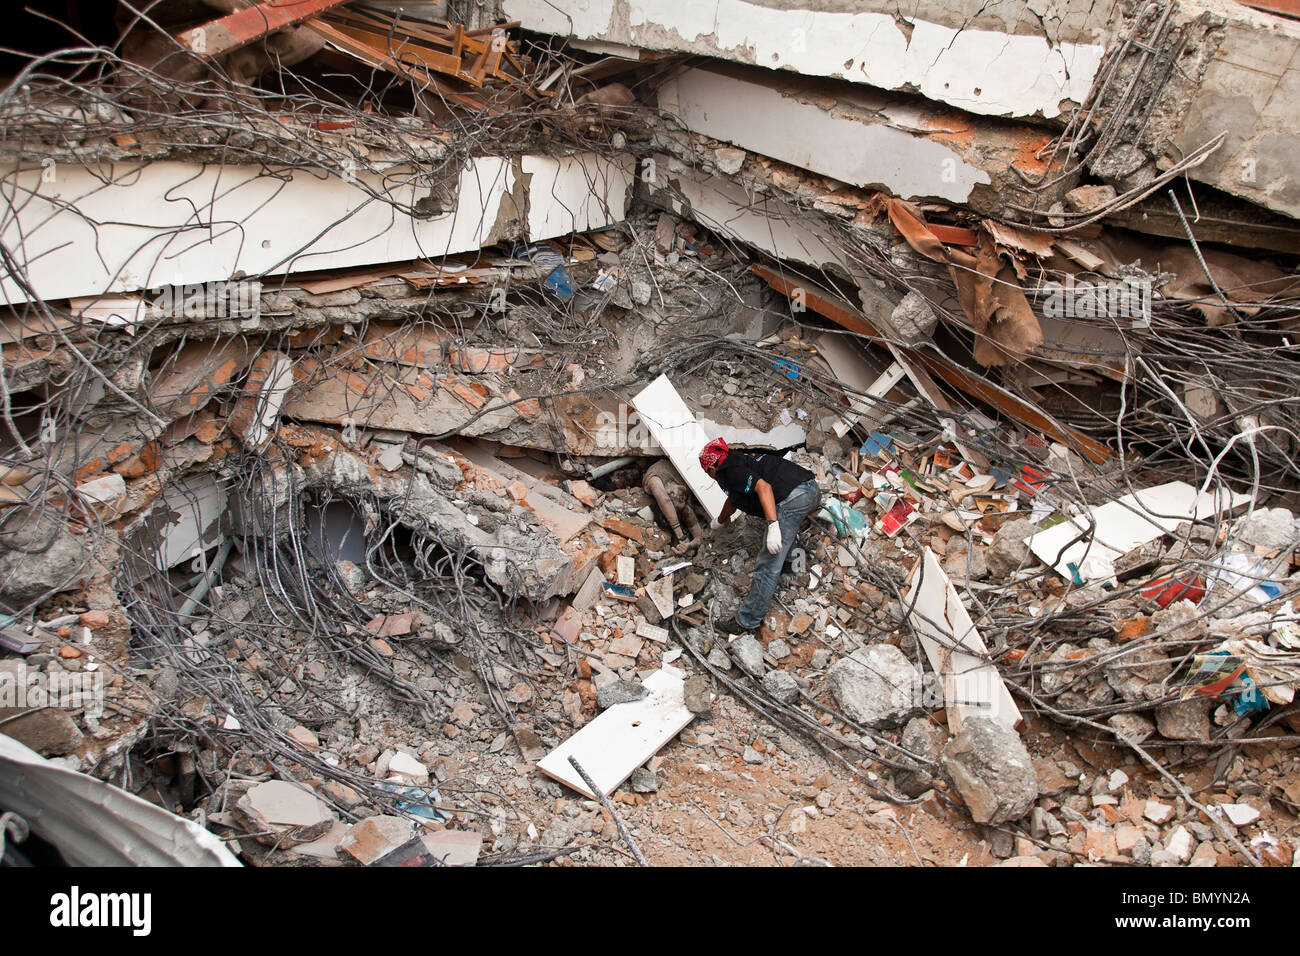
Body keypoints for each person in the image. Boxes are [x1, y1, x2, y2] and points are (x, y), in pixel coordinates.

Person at [699, 437, 821, 635]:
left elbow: (764, 487)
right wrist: (720, 521)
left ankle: (747, 621)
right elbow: (735, 498)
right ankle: (793, 565)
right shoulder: (738, 461)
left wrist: (773, 526)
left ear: (712, 468)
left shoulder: (729, 471)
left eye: (707, 472)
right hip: (810, 488)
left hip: (796, 497)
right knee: (786, 528)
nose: (709, 476)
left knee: (767, 563)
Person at [642, 458, 704, 554]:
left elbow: (699, 535)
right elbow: (665, 500)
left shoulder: (684, 506)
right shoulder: (653, 479)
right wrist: (680, 535)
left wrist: (690, 545)